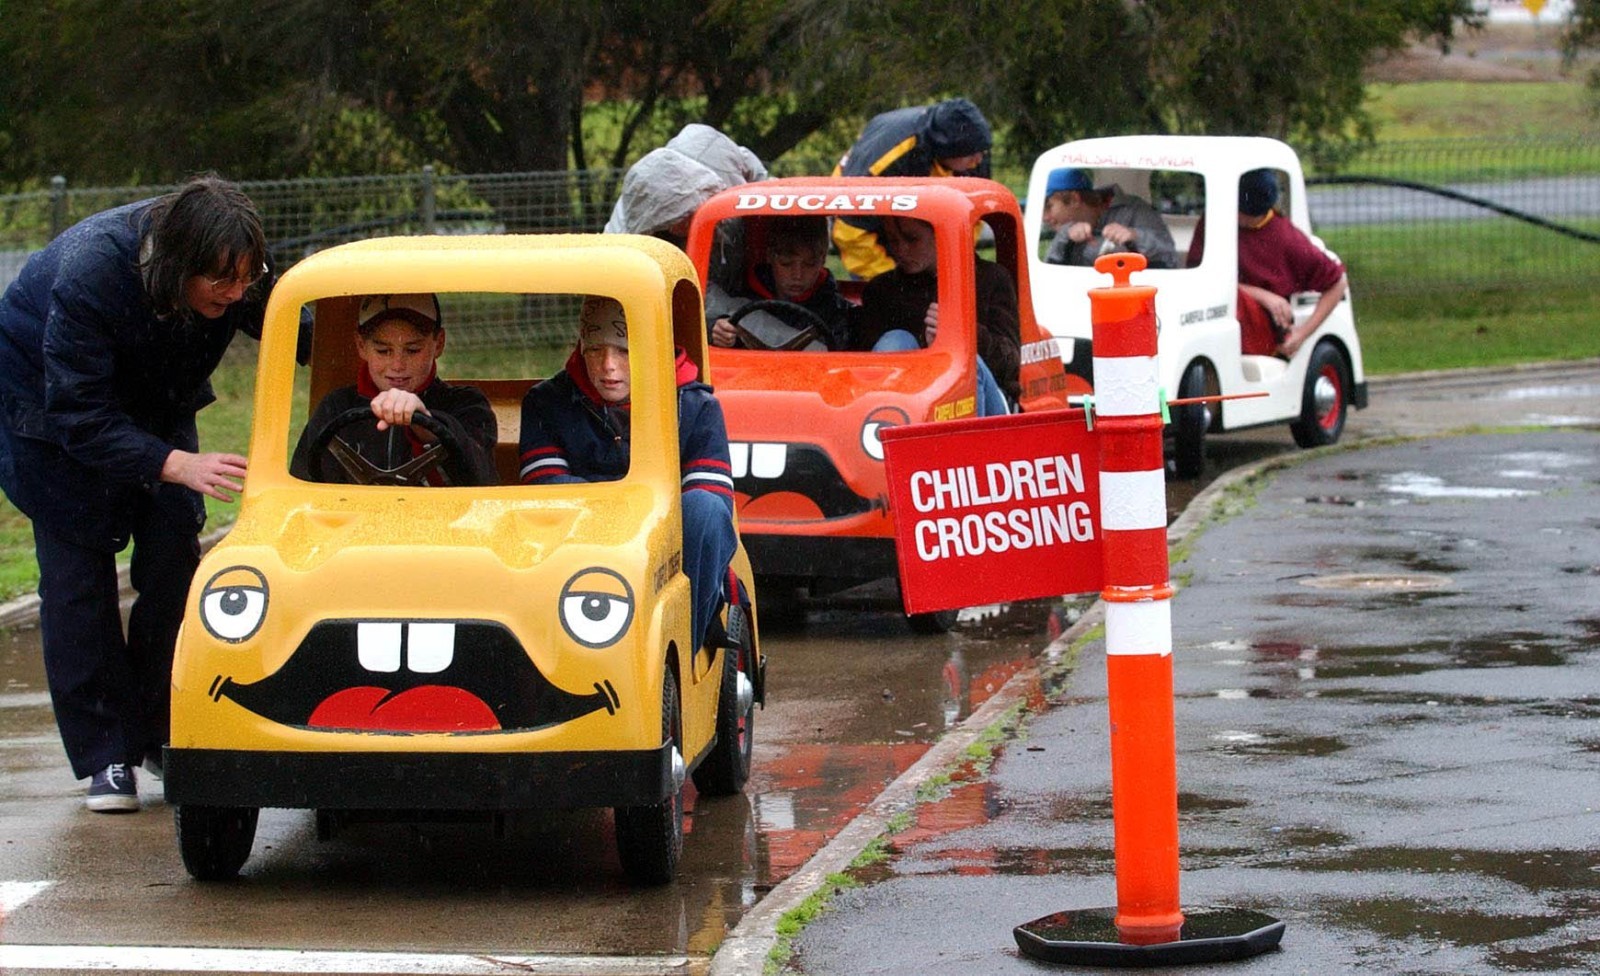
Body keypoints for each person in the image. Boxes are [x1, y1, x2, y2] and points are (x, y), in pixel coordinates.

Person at [0, 175, 275, 812]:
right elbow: (77, 414)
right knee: (78, 576)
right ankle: (108, 756)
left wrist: (373, 359)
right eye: (223, 283)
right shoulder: (92, 275)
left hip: (157, 395)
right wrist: (173, 463)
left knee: (175, 559)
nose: (239, 295)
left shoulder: (233, 259)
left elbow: (301, 324)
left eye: (248, 278)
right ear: (178, 266)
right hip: (48, 410)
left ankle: (161, 728)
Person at [517, 297, 736, 653]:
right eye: (595, 350)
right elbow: (546, 492)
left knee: (705, 509)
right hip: (577, 550)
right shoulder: (547, 402)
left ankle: (682, 649)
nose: (608, 367)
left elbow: (710, 508)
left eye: (624, 351)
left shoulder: (697, 406)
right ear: (580, 346)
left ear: (651, 348)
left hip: (669, 557)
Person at [289, 293, 497, 487]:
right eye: (383, 351)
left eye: (413, 350)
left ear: (438, 343)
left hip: (445, 522)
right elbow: (304, 487)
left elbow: (482, 483)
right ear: (361, 346)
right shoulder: (336, 407)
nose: (397, 365)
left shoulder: (467, 404)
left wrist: (429, 427)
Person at [854, 216, 1018, 416]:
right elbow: (861, 367)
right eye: (893, 240)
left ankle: (967, 445)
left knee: (966, 364)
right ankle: (880, 434)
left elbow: (1011, 365)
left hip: (985, 400)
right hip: (910, 404)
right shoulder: (881, 290)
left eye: (912, 239)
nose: (901, 250)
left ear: (942, 235)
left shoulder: (991, 278)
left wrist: (962, 334)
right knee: (896, 340)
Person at [1187, 168, 1349, 358]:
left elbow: (1338, 283)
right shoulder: (1214, 222)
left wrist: (1302, 334)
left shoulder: (1287, 238)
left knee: (1231, 301)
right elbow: (1198, 280)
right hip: (1209, 316)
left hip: (1258, 329)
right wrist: (1263, 295)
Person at [831, 98, 993, 279]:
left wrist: (950, 266)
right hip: (862, 223)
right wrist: (893, 282)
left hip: (913, 205)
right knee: (887, 294)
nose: (979, 160)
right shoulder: (889, 160)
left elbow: (971, 219)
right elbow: (850, 233)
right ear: (946, 150)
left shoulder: (973, 151)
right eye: (971, 154)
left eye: (982, 151)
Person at [605, 124, 768, 293]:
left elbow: (759, 180)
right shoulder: (626, 247)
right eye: (679, 219)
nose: (690, 221)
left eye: (692, 213)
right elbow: (690, 295)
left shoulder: (717, 163)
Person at [706, 216, 854, 351]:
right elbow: (698, 327)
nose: (797, 275)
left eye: (810, 264)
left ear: (822, 260)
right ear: (770, 256)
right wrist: (716, 330)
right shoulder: (740, 292)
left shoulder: (834, 308)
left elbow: (839, 354)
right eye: (786, 264)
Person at [1041, 167, 1178, 270]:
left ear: (1074, 199)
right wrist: (1065, 237)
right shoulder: (1063, 230)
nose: (1045, 218)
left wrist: (1134, 236)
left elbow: (1169, 255)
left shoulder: (1134, 209)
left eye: (1049, 207)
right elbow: (1047, 271)